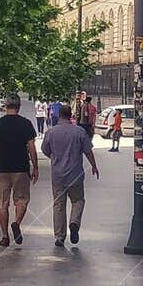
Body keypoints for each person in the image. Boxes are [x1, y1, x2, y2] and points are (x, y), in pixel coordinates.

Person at [0, 93, 39, 248]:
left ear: (5, 106)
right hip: (21, 167)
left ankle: (5, 236)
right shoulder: (26, 124)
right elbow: (32, 148)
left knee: (2, 204)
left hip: (2, 168)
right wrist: (35, 167)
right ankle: (17, 222)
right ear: (19, 107)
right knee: (22, 199)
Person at [40, 102, 99, 247]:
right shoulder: (79, 132)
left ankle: (59, 236)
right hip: (75, 174)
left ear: (59, 116)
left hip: (58, 175)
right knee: (78, 201)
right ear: (70, 116)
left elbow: (45, 150)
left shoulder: (51, 132)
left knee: (59, 204)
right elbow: (88, 151)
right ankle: (74, 223)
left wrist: (55, 159)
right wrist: (94, 166)